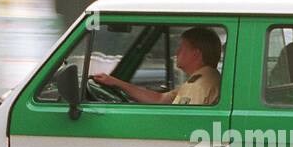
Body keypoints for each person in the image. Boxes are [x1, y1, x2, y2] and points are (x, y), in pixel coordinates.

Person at [92, 26, 222, 105]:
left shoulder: (201, 85)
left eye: (182, 47)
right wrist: (115, 82)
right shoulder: (200, 79)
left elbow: (184, 122)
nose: (177, 52)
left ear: (196, 53)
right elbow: (160, 99)